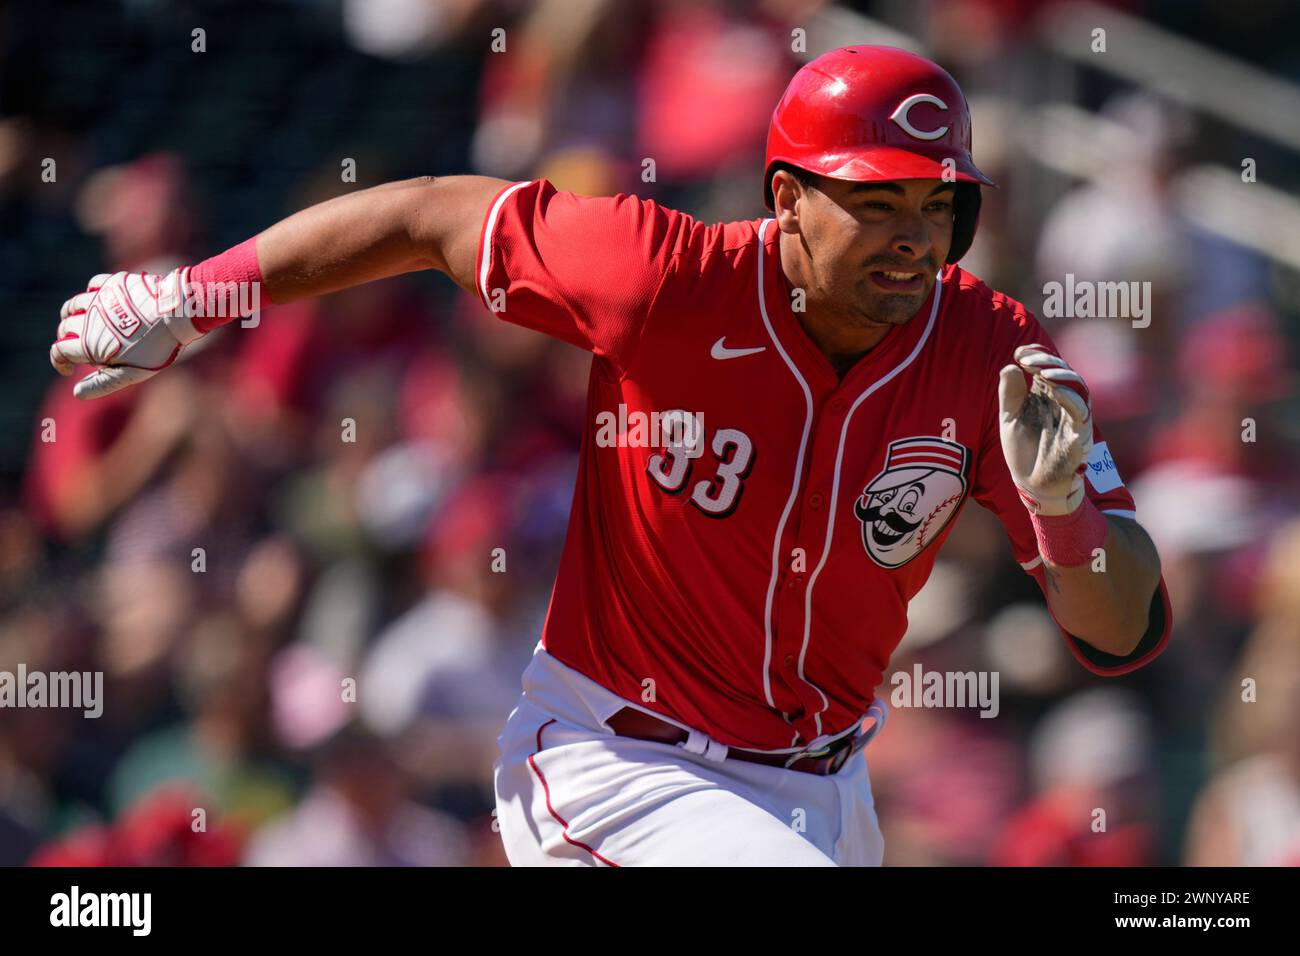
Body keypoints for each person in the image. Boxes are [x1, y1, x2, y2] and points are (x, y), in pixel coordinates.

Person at [47, 46, 1171, 866]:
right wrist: (191, 298)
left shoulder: (990, 352)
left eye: (939, 204)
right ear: (787, 199)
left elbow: (1121, 630)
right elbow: (430, 216)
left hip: (830, 792)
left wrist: (1062, 510)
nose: (914, 236)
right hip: (624, 759)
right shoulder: (665, 275)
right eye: (878, 201)